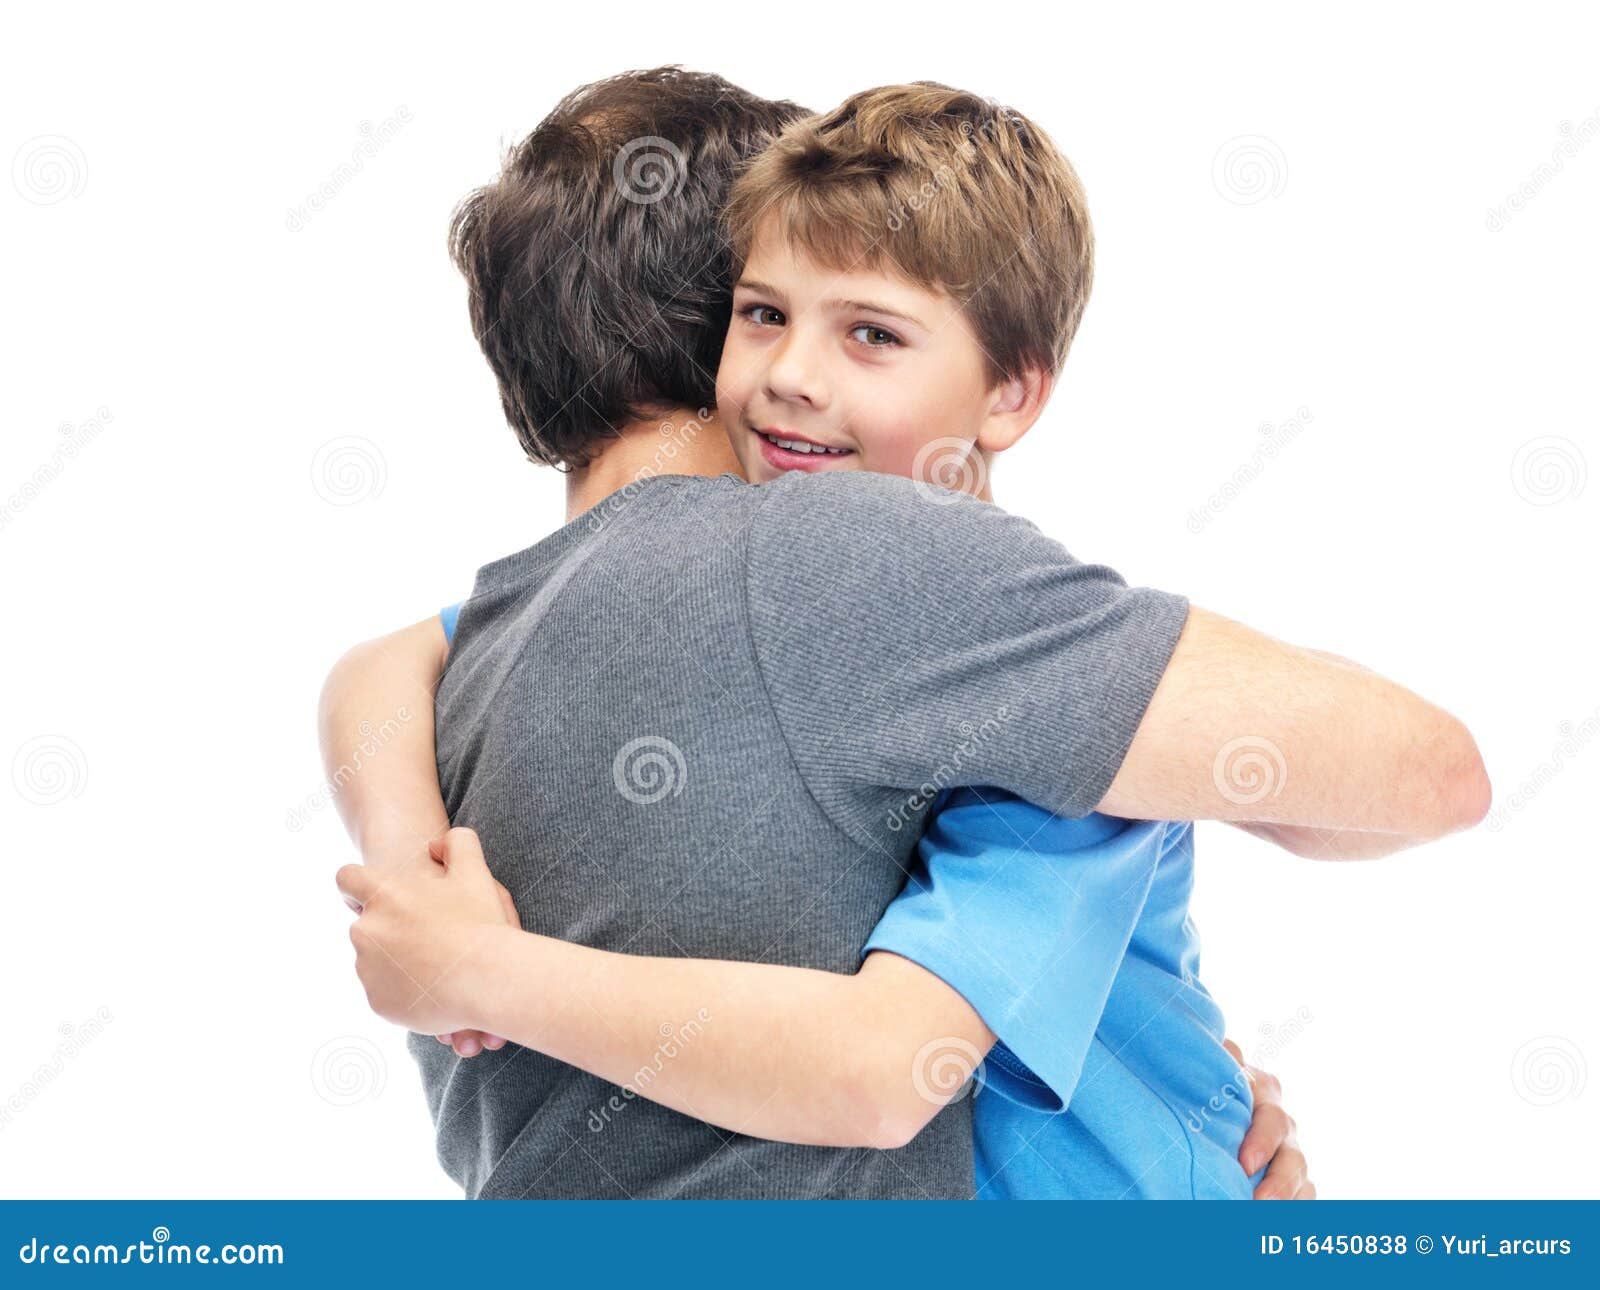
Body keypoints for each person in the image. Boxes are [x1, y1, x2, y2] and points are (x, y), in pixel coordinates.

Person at [325, 69, 1489, 1200]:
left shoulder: (497, 657)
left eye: (870, 333)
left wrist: (445, 921)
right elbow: (885, 1064)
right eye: (763, 314)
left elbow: (383, 667)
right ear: (709, 320)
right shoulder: (883, 607)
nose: (793, 375)